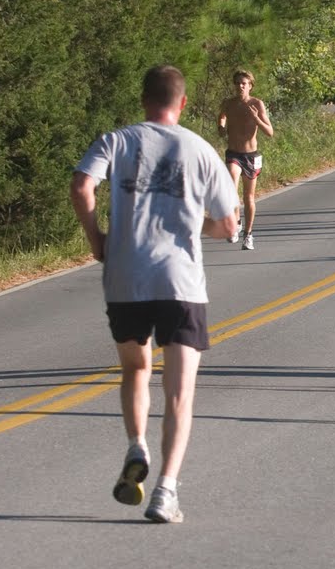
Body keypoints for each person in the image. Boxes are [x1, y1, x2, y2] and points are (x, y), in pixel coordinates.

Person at [70, 66, 239, 524]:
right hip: (180, 281)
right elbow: (229, 225)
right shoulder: (201, 149)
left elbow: (82, 185)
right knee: (180, 393)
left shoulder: (117, 141)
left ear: (143, 99)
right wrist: (191, 224)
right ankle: (165, 491)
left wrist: (96, 238)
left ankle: (136, 445)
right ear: (182, 103)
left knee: (135, 369)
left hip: (126, 277)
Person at [217, 69, 274, 251]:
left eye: (244, 83)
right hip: (233, 154)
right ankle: (235, 222)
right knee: (231, 187)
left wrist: (257, 118)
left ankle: (248, 234)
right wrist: (221, 126)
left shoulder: (257, 104)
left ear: (250, 86)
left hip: (251, 155)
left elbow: (270, 132)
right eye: (238, 83)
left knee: (248, 197)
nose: (240, 86)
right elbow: (222, 116)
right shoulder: (228, 103)